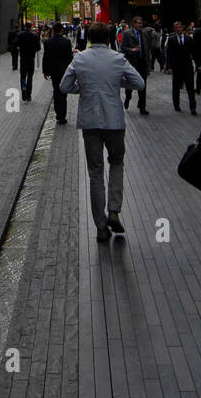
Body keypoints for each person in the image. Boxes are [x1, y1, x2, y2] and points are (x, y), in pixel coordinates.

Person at [60, 24, 144, 241]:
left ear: (88, 37)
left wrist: (84, 89)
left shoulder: (80, 59)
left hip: (90, 122)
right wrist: (116, 84)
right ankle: (114, 210)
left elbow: (64, 86)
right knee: (116, 162)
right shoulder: (118, 59)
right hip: (114, 120)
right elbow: (139, 83)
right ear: (108, 38)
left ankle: (100, 226)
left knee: (95, 172)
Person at [42, 23, 74, 123]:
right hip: (64, 71)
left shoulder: (47, 42)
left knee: (56, 91)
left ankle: (58, 115)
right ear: (62, 30)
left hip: (53, 71)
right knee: (63, 93)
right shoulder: (67, 41)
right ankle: (62, 116)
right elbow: (70, 58)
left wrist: (45, 71)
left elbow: (45, 57)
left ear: (53, 30)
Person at [120, 15, 150, 114]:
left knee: (143, 85)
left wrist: (148, 63)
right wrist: (132, 50)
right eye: (138, 23)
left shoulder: (145, 33)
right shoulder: (127, 33)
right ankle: (128, 98)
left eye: (141, 23)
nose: (140, 25)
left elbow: (146, 48)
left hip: (142, 62)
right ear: (133, 24)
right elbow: (123, 47)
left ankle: (142, 106)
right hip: (132, 63)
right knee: (130, 84)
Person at [167, 20, 197, 114]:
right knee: (176, 87)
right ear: (174, 29)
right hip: (176, 67)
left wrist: (198, 64)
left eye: (179, 27)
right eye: (176, 28)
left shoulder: (189, 39)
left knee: (190, 87)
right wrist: (169, 66)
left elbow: (194, 52)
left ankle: (193, 107)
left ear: (182, 28)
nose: (178, 29)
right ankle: (176, 105)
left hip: (187, 66)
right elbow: (169, 53)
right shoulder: (171, 39)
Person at [17, 20, 41, 102]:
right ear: (31, 26)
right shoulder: (35, 36)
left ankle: (23, 89)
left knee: (23, 75)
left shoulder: (20, 35)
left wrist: (19, 48)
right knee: (30, 77)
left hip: (23, 58)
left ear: (25, 26)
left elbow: (14, 43)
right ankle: (28, 95)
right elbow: (38, 48)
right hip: (31, 58)